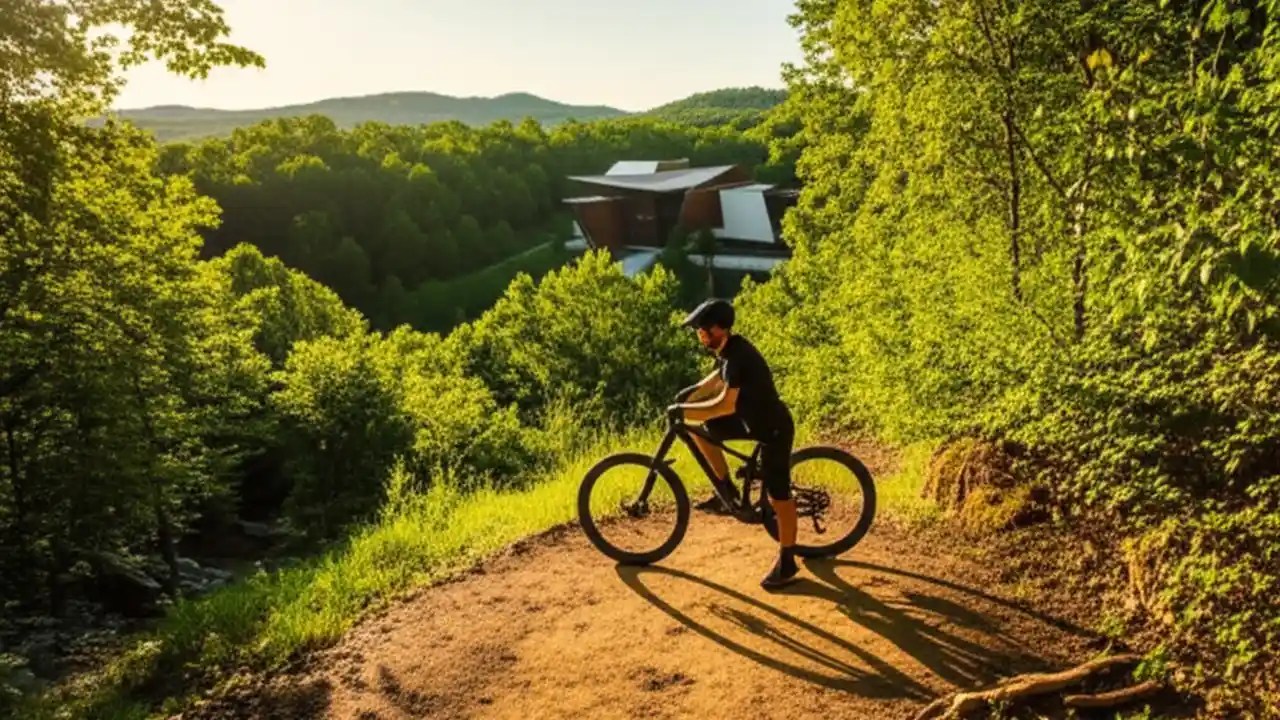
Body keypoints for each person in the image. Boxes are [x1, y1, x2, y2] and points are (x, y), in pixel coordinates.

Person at [667, 298, 800, 589]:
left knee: (779, 496)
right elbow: (717, 378)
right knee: (704, 431)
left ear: (719, 329)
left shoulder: (740, 355)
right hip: (750, 420)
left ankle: (787, 561)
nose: (699, 335)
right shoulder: (727, 350)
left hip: (772, 428)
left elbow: (724, 405)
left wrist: (685, 412)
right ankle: (725, 491)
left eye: (702, 329)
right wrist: (687, 397)